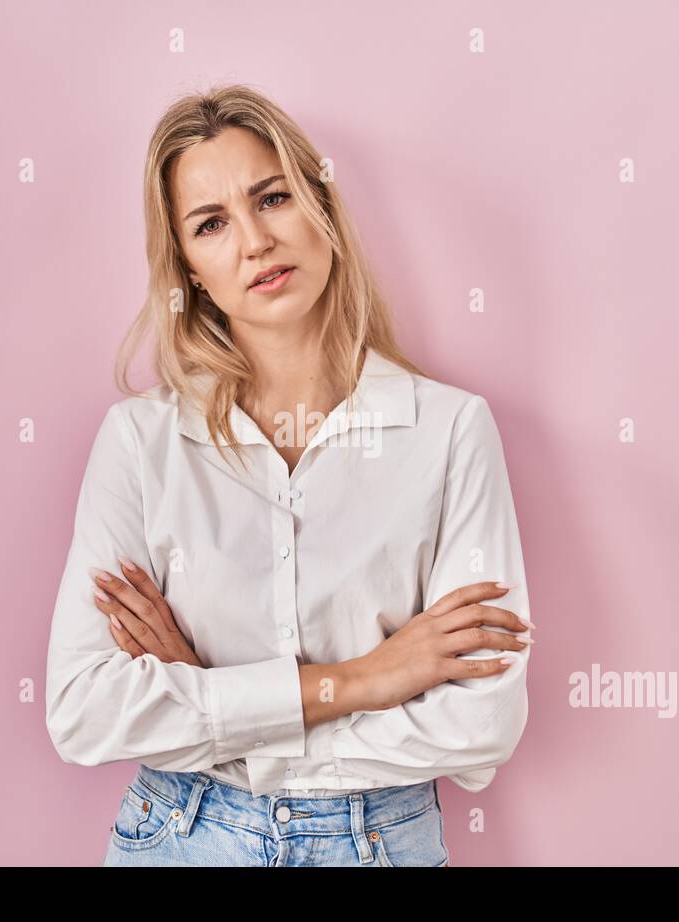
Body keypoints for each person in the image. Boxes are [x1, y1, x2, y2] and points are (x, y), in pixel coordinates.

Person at [45, 84, 533, 867]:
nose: (254, 241)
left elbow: (481, 724)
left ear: (323, 210)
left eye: (272, 198)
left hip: (378, 842)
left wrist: (224, 723)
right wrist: (368, 678)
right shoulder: (142, 442)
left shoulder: (449, 432)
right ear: (191, 272)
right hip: (179, 839)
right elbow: (82, 711)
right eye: (210, 224)